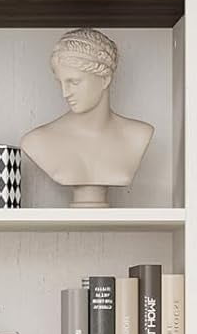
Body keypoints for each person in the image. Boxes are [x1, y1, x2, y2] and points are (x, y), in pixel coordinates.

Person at [20, 28, 154, 207]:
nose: (65, 94)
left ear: (105, 79)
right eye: (60, 83)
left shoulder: (139, 135)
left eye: (74, 82)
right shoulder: (37, 141)